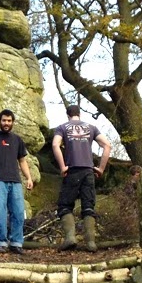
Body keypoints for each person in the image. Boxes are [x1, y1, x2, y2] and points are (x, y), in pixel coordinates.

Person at [52, 104, 112, 251]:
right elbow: (107, 146)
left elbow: (55, 145)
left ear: (68, 115)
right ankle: (91, 243)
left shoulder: (62, 128)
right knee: (88, 206)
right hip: (88, 171)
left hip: (72, 170)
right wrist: (101, 168)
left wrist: (62, 167)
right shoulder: (91, 128)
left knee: (65, 206)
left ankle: (70, 238)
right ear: (79, 114)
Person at [0, 109, 34, 254]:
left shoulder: (17, 139)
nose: (6, 123)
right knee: (0, 211)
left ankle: (16, 243)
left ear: (13, 122)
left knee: (18, 212)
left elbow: (22, 160)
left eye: (9, 121)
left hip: (15, 181)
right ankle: (1, 242)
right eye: (4, 120)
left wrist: (29, 178)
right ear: (0, 121)